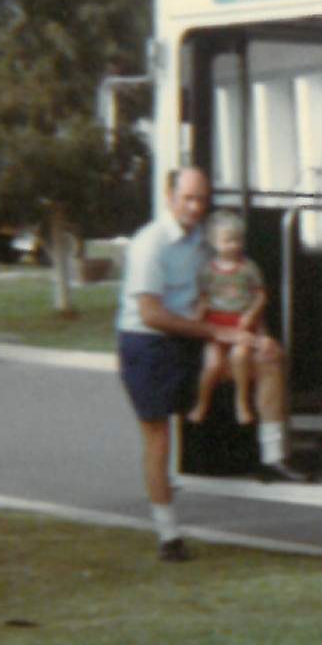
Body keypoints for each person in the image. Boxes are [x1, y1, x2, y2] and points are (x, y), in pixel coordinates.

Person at [116, 168, 301, 563]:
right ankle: (168, 534)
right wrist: (214, 334)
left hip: (194, 336)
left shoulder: (206, 241)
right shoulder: (150, 243)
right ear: (169, 196)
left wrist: (258, 333)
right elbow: (150, 314)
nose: (196, 208)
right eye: (188, 199)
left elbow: (237, 294)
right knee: (158, 436)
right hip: (148, 344)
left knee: (269, 359)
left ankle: (272, 458)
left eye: (202, 199)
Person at [188, 210, 266, 426]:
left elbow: (260, 296)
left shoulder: (248, 268)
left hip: (240, 323)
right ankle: (201, 403)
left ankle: (241, 402)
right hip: (215, 325)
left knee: (240, 356)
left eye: (237, 240)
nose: (233, 245)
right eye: (227, 240)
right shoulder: (208, 271)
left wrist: (251, 314)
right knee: (212, 364)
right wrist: (197, 319)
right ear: (214, 242)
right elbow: (203, 298)